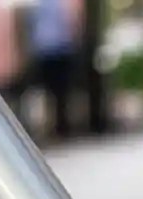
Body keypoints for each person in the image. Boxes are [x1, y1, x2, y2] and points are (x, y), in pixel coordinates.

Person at [28, 0, 81, 138]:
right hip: (57, 48)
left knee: (53, 92)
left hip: (48, 49)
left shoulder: (41, 4)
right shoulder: (58, 3)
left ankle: (58, 125)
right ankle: (60, 125)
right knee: (59, 92)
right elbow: (69, 21)